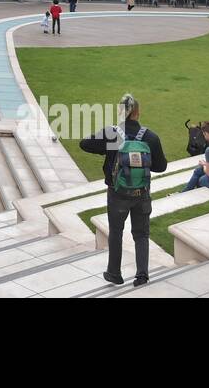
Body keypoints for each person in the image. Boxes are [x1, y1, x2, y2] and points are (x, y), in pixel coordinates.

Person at [80, 94, 168, 286]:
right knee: (142, 234)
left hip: (117, 193)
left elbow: (84, 144)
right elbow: (161, 166)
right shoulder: (150, 136)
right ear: (137, 112)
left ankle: (114, 273)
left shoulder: (112, 134)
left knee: (116, 232)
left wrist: (107, 150)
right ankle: (142, 275)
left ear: (121, 112)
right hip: (142, 193)